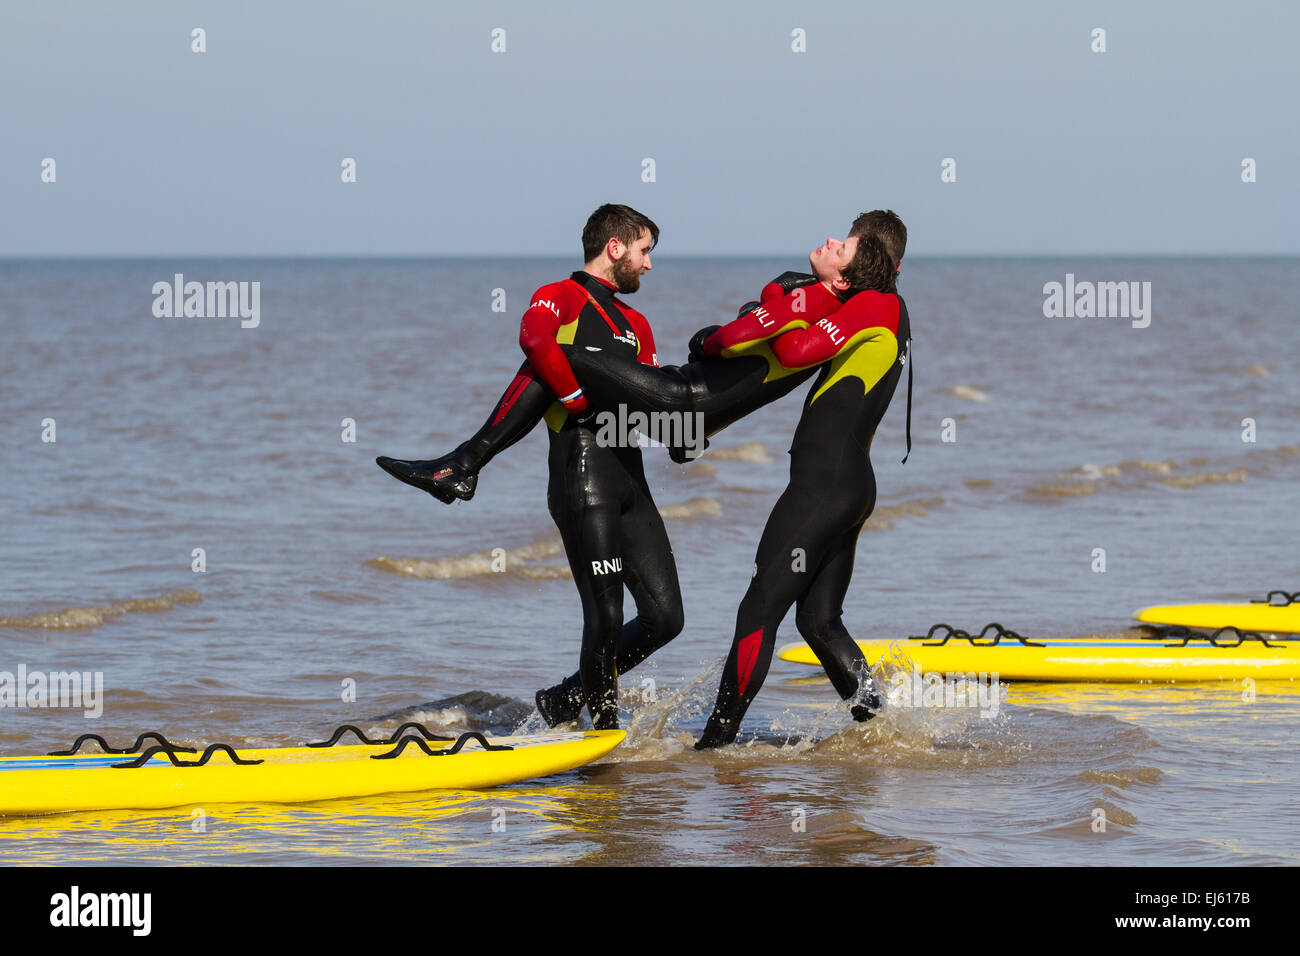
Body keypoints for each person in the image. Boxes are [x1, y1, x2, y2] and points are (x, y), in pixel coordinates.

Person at [381, 204, 684, 730]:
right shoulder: (561, 295)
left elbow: (651, 401)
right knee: (606, 615)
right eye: (644, 251)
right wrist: (573, 397)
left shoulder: (639, 324)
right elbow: (533, 338)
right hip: (582, 473)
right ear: (615, 248)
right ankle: (603, 730)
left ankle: (567, 699)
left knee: (665, 617)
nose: (649, 264)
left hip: (631, 479)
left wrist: (687, 432)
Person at [693, 211, 911, 748]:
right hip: (850, 486)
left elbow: (793, 351)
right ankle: (883, 734)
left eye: (847, 245)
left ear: (865, 264)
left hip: (824, 487)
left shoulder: (873, 305)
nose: (835, 244)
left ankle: (715, 743)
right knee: (819, 621)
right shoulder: (891, 308)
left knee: (759, 607)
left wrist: (784, 308)